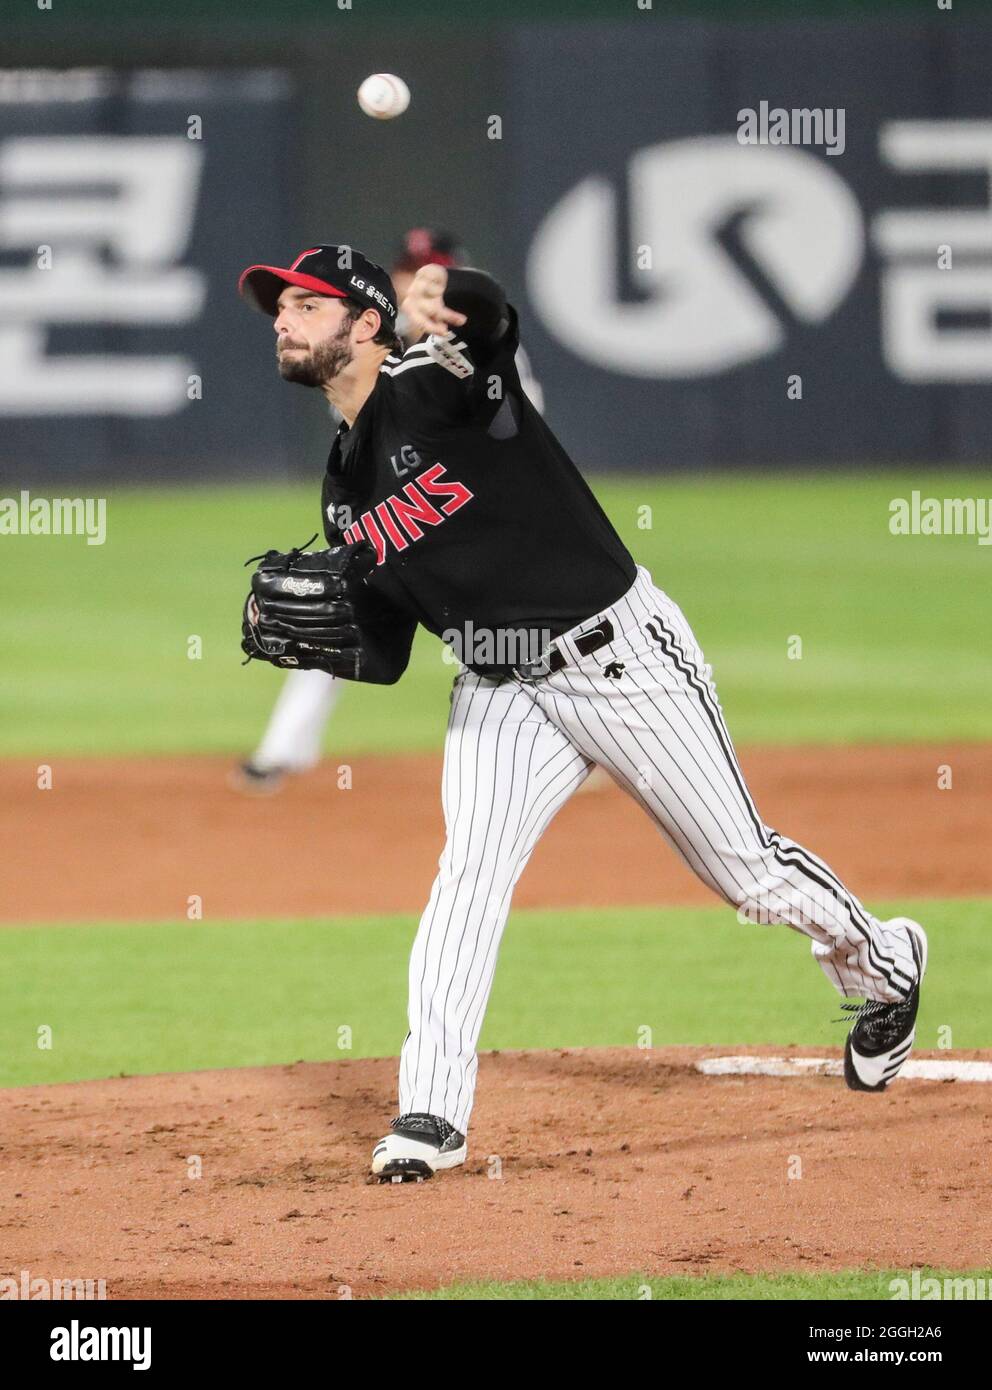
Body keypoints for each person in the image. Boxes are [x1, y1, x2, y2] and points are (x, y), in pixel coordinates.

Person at [237, 243, 928, 1184]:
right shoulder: (343, 486)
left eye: (304, 305)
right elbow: (391, 646)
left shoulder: (437, 386)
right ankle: (432, 1113)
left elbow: (492, 329)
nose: (282, 318)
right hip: (498, 690)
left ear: (367, 321)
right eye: (277, 307)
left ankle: (885, 964)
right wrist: (330, 630)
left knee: (749, 876)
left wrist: (452, 296)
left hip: (619, 657)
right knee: (467, 880)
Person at [230, 228, 547, 796]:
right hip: (399, 513)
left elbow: (507, 422)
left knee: (523, 636)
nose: (411, 282)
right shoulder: (369, 347)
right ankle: (281, 749)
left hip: (488, 521)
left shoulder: (467, 355)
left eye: (427, 271)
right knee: (327, 607)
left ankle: (573, 734)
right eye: (408, 270)